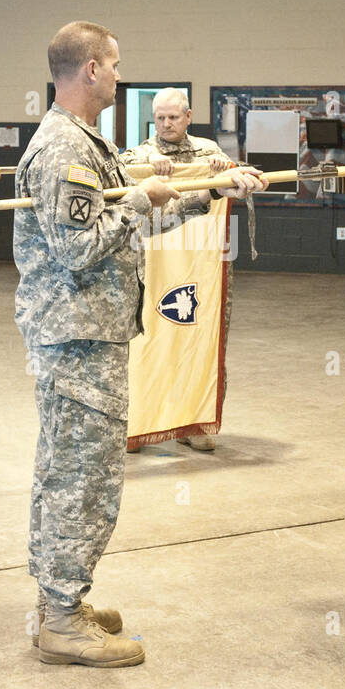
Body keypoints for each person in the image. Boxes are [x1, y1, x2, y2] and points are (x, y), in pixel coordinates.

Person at [14, 23, 265, 669]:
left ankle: (59, 602)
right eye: (117, 66)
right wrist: (139, 202)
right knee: (82, 479)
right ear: (91, 69)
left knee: (67, 473)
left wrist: (207, 192)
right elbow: (79, 246)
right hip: (77, 339)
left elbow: (121, 222)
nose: (123, 77)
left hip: (87, 333)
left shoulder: (86, 142)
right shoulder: (65, 148)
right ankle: (64, 618)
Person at [120, 87, 237, 452]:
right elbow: (118, 179)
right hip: (154, 263)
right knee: (147, 343)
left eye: (174, 117)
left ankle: (193, 422)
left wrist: (223, 171)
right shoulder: (140, 154)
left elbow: (235, 182)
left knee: (200, 339)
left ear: (188, 116)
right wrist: (146, 171)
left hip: (201, 263)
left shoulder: (210, 152)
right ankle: (139, 423)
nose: (167, 124)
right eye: (160, 118)